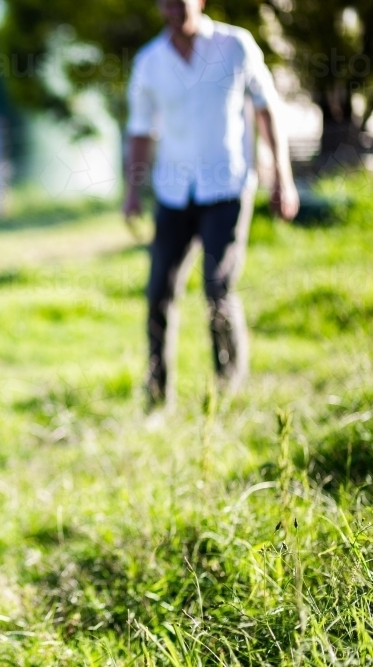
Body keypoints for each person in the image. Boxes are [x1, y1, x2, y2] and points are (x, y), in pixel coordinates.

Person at [122, 0, 299, 408]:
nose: (175, 6)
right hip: (173, 191)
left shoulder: (236, 45)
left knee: (217, 288)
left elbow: (266, 109)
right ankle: (157, 394)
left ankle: (228, 388)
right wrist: (132, 191)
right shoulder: (150, 61)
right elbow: (140, 130)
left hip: (227, 187)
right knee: (158, 293)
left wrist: (282, 179)